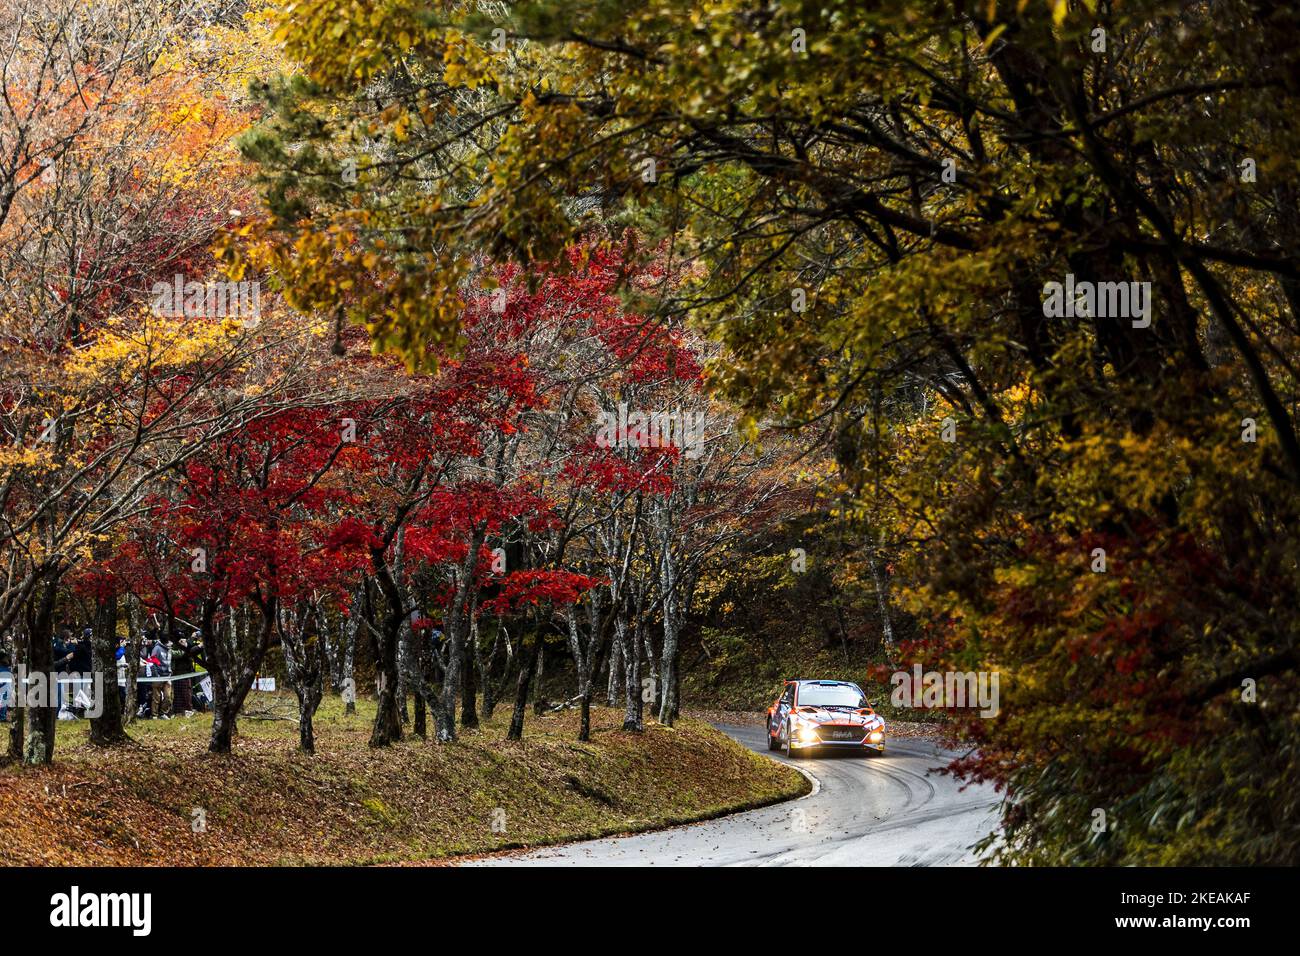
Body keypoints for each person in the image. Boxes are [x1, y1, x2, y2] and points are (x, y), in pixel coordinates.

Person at [171, 631, 196, 716]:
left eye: (184, 640)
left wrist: (190, 641)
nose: (183, 642)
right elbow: (178, 655)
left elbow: (191, 650)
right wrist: (187, 643)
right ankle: (181, 710)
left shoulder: (187, 647)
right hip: (179, 672)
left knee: (186, 692)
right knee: (181, 692)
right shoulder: (175, 648)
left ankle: (186, 709)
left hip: (186, 671)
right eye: (181, 640)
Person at [149, 632, 173, 719]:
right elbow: (152, 662)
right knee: (156, 697)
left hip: (168, 676)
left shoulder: (169, 649)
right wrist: (156, 674)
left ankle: (163, 713)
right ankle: (154, 715)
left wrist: (170, 672)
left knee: (168, 697)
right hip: (158, 676)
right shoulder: (157, 648)